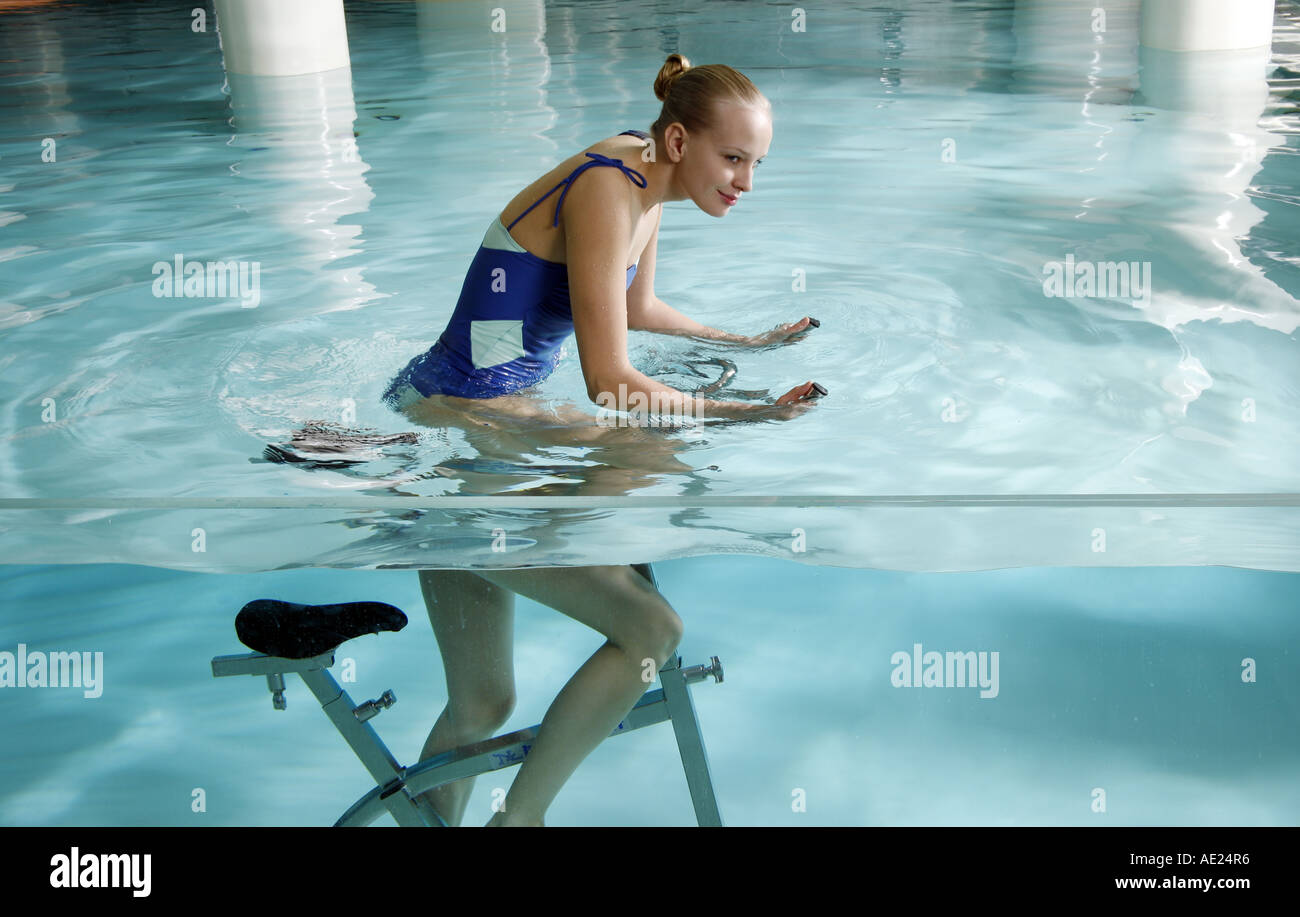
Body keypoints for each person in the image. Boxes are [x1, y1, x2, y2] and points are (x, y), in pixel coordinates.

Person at [392, 53, 823, 826]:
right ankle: (516, 822)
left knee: (484, 701)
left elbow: (641, 307)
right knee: (652, 617)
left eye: (756, 164)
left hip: (461, 417)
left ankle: (555, 542)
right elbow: (609, 382)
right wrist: (747, 415)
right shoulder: (608, 189)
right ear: (683, 140)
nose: (745, 183)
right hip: (459, 422)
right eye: (733, 158)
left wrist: (750, 343)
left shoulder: (645, 174)